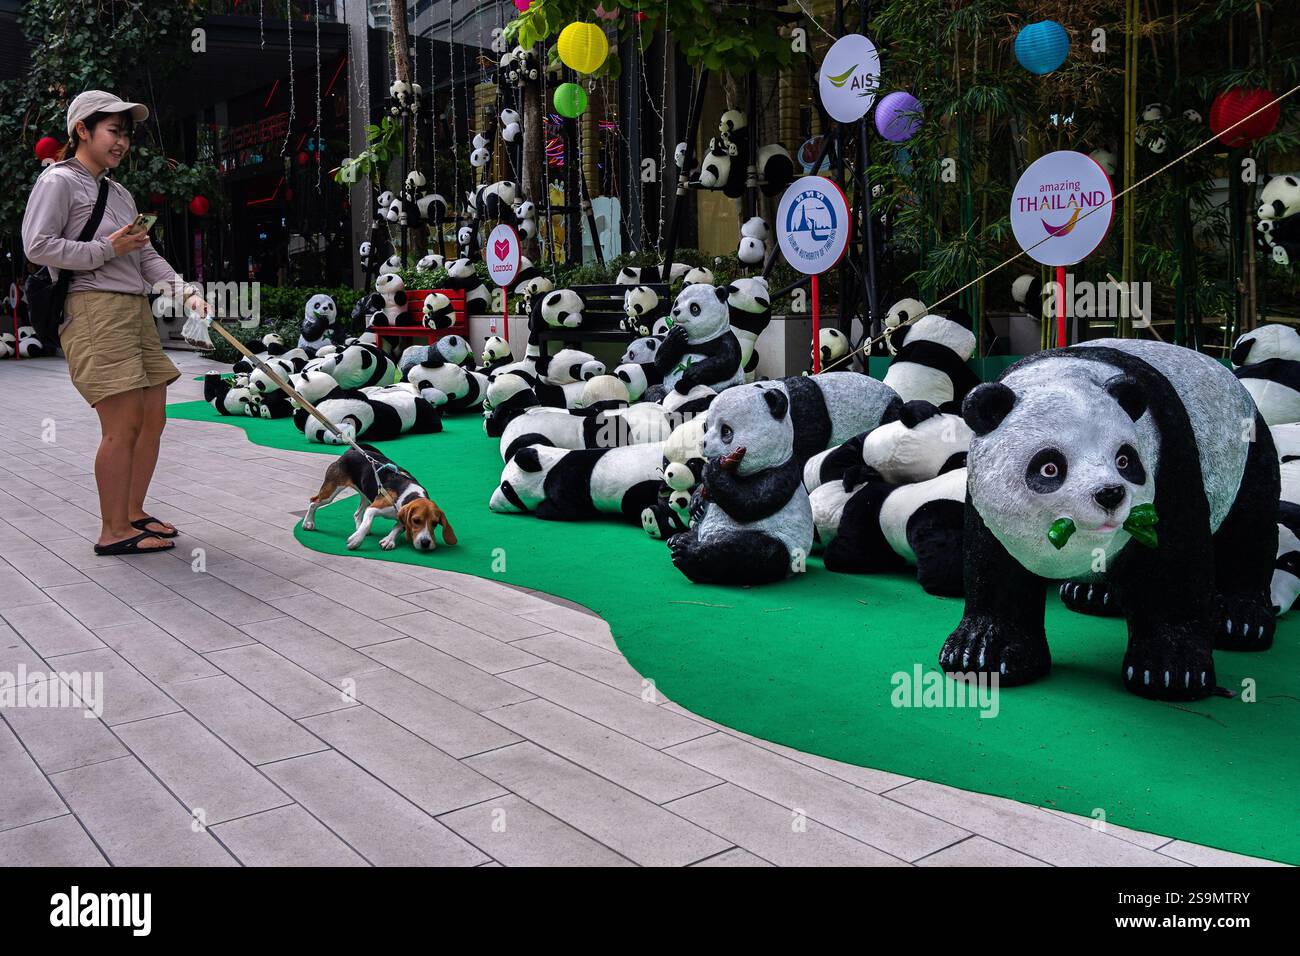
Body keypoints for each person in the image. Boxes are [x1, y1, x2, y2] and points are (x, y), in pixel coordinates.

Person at [21, 90, 209, 556]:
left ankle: (132, 511)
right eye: (113, 131)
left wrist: (186, 291)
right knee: (121, 424)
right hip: (93, 310)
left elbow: (145, 255)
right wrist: (106, 249)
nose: (122, 142)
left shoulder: (119, 193)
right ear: (82, 130)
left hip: (133, 309)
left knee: (152, 417)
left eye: (126, 134)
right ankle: (113, 530)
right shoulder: (59, 181)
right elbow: (37, 245)